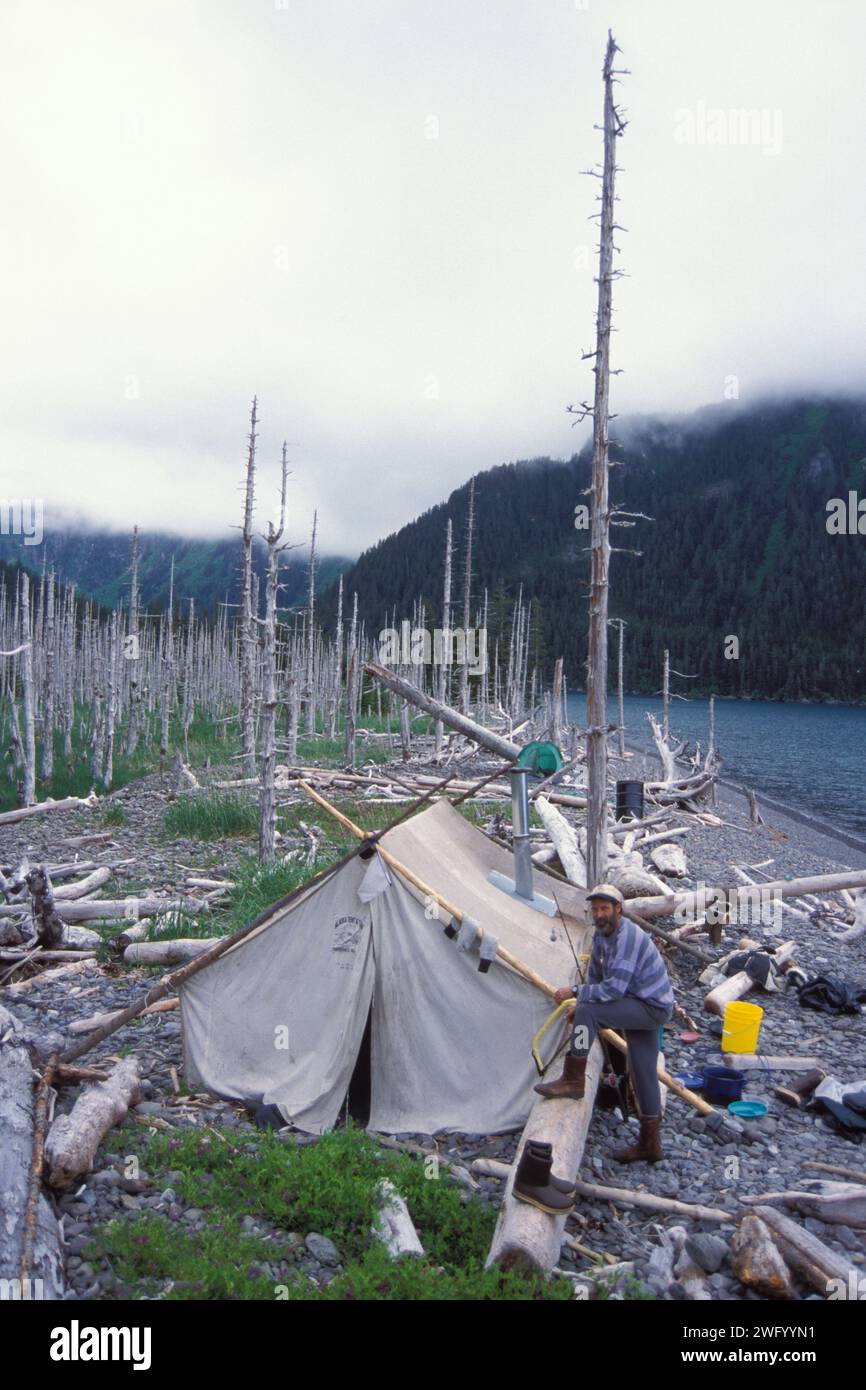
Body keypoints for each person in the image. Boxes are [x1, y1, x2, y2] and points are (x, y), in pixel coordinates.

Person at [534, 883, 674, 1163]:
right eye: (595, 909)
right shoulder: (601, 936)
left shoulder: (627, 938)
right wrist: (582, 1000)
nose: (599, 914)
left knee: (589, 1013)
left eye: (605, 909)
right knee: (643, 1071)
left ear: (618, 910)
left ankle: (574, 1079)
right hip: (641, 1002)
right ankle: (651, 1144)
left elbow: (613, 990)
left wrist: (575, 995)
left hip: (651, 1007)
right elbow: (596, 981)